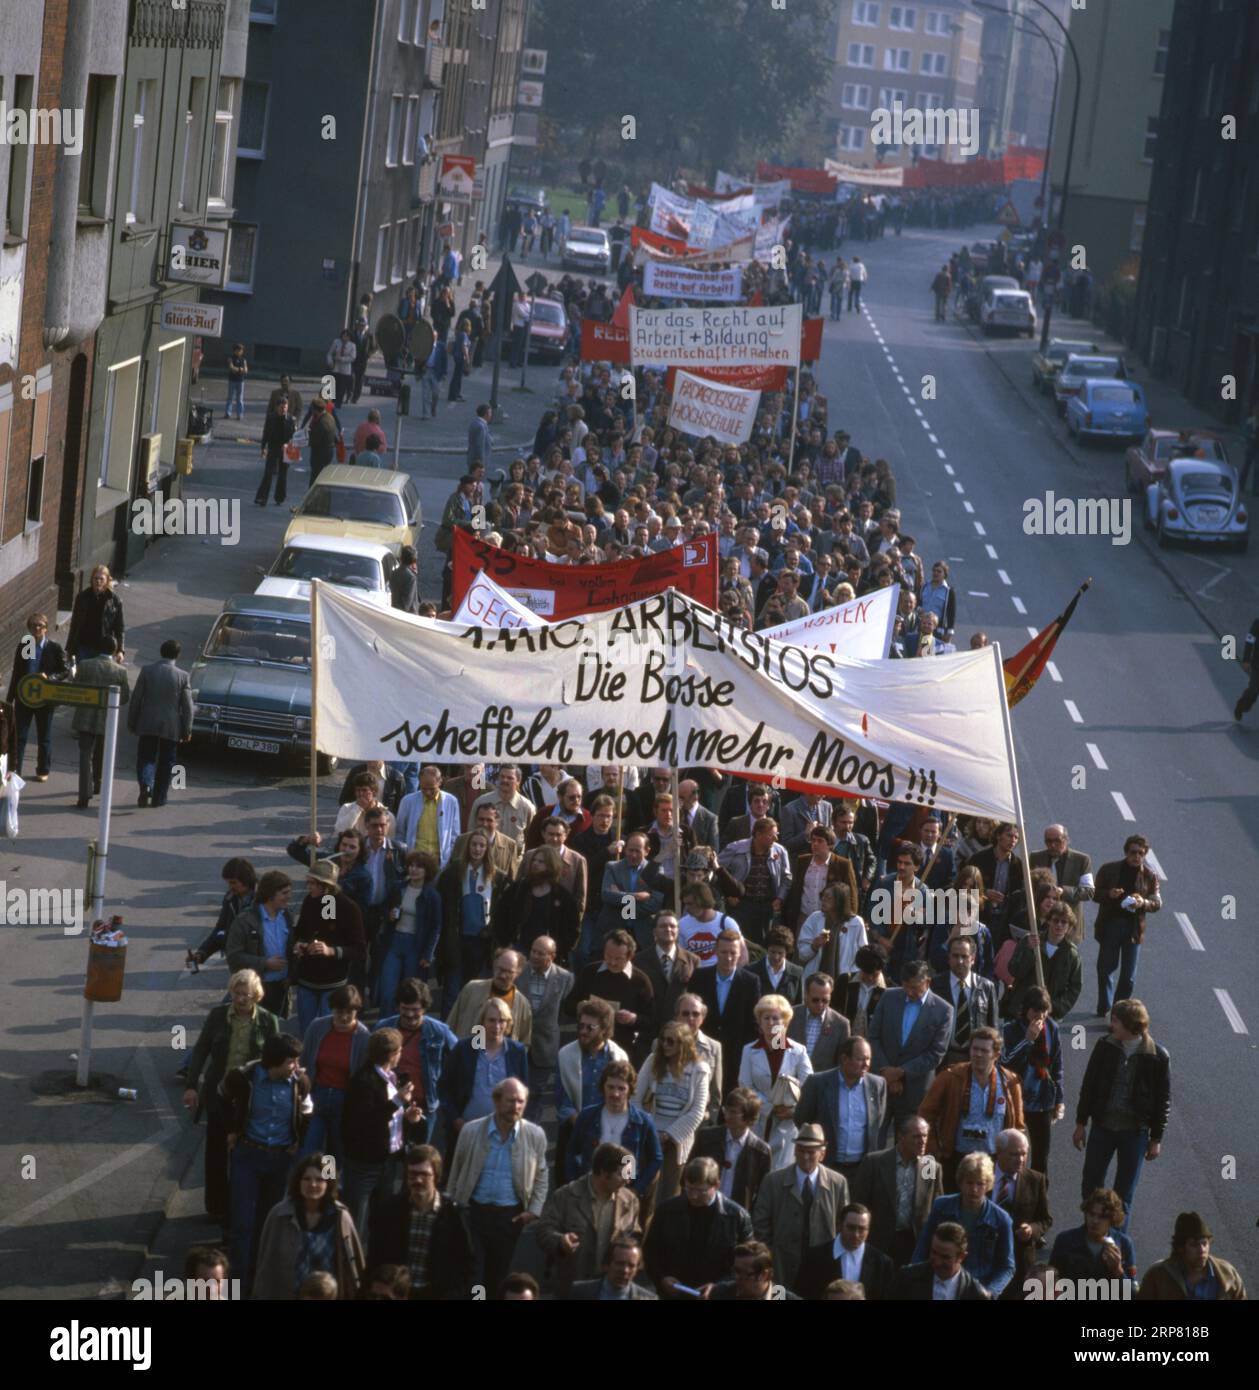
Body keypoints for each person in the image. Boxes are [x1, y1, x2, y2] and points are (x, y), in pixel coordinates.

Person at [183, 969, 281, 1228]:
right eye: (236, 993)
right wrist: (192, 1085)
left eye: (245, 995)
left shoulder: (269, 1021)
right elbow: (202, 1049)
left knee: (245, 1156)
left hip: (251, 1100)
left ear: (256, 995)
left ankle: (241, 1207)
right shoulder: (217, 1016)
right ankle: (216, 1208)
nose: (240, 999)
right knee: (215, 1154)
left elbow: (276, 1060)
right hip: (219, 1096)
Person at [221, 1034, 310, 1292]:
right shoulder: (242, 1077)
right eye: (291, 1061)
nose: (296, 1066)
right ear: (274, 1061)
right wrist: (231, 1130)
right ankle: (238, 1286)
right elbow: (221, 1098)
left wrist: (297, 1140)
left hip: (280, 1160)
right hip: (248, 1155)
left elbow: (307, 1112)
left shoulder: (300, 1083)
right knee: (242, 1225)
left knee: (268, 1224)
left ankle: (262, 1282)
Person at [1073, 998, 1169, 1232]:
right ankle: (1089, 1233)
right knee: (1091, 1186)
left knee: (1124, 1193)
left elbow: (1162, 1101)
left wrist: (1156, 1139)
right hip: (1103, 1127)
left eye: (1115, 1020)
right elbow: (1089, 1085)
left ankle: (1116, 1244)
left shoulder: (1157, 1056)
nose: (1111, 1024)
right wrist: (1080, 1123)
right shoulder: (1105, 1046)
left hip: (1134, 1133)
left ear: (1130, 1025)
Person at [446, 1077, 548, 1297]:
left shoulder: (535, 1135)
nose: (516, 1107)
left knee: (499, 1274)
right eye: (511, 1101)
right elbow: (456, 1170)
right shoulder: (471, 1131)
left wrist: (533, 1210)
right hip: (474, 1213)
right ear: (496, 1100)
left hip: (509, 1217)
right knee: (474, 1273)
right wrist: (452, 1204)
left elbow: (541, 1175)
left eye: (521, 1101)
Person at [341, 1027, 425, 1241]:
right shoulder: (364, 1081)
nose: (401, 1055)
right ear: (391, 1054)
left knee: (382, 1222)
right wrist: (398, 1101)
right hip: (365, 1164)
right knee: (354, 1225)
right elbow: (365, 1121)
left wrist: (407, 1117)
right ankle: (352, 1269)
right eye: (399, 1051)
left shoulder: (391, 1077)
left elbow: (388, 1119)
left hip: (388, 1161)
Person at [918, 1026, 1025, 1191]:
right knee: (950, 1207)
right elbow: (925, 1114)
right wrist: (933, 1147)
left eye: (984, 1050)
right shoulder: (950, 1077)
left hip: (993, 1160)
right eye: (975, 1049)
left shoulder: (1010, 1082)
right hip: (955, 1157)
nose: (978, 1054)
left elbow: (1017, 1127)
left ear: (996, 1055)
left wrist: (1014, 1159)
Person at [366, 1143, 474, 1299]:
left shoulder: (454, 1215)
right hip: (396, 1294)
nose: (417, 1180)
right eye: (412, 1174)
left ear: (436, 1176)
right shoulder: (390, 1210)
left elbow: (467, 1264)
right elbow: (375, 1255)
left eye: (424, 1174)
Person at [252, 1152, 366, 1301]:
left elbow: (354, 1267)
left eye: (319, 1179)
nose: (312, 1184)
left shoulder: (340, 1217)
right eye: (307, 1179)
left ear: (329, 1183)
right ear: (298, 1181)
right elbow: (265, 1266)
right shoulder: (279, 1215)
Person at [535, 1142, 641, 1298]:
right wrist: (561, 1241)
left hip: (609, 1290)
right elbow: (543, 1230)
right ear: (604, 1173)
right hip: (571, 1287)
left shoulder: (630, 1201)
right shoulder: (566, 1196)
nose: (628, 1180)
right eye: (624, 1174)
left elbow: (634, 1235)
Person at [751, 1124, 848, 1290]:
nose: (805, 1156)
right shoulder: (773, 1181)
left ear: (822, 1154)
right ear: (794, 1150)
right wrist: (770, 1259)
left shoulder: (837, 1183)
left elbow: (842, 1225)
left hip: (821, 1270)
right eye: (801, 1150)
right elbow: (760, 1226)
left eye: (811, 1152)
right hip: (780, 1270)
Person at [643, 1155, 754, 1299]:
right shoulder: (667, 1211)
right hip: (673, 1294)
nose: (694, 1196)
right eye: (689, 1189)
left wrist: (719, 1287)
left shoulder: (737, 1217)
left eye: (701, 1191)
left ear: (716, 1185)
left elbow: (747, 1263)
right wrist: (662, 1278)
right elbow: (651, 1251)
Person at [913, 1151, 1015, 1297]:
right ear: (960, 1182)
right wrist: (914, 1279)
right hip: (940, 1282)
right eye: (969, 1182)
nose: (974, 1189)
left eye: (980, 1184)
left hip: (977, 1289)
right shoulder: (941, 1207)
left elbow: (1007, 1266)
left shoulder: (1001, 1220)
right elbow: (922, 1248)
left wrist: (990, 1292)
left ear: (988, 1185)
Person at [868, 959, 953, 1131]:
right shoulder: (889, 997)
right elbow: (873, 1036)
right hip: (881, 1084)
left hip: (915, 1091)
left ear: (927, 982)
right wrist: (886, 1072)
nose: (909, 992)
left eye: (914, 987)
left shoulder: (943, 1010)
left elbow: (936, 1053)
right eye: (906, 986)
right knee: (873, 1141)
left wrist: (901, 1073)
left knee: (909, 1148)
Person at [288, 859, 367, 1037]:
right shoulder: (312, 901)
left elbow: (360, 950)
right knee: (307, 1034)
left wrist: (330, 951)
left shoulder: (349, 909)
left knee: (327, 1035)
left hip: (333, 985)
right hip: (307, 981)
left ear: (326, 886)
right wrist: (300, 944)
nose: (308, 887)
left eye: (313, 883)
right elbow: (302, 931)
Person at [633, 1022, 710, 1200]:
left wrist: (668, 1135)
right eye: (662, 1040)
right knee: (643, 1190)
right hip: (649, 1133)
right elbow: (635, 1097)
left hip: (676, 1140)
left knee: (668, 1194)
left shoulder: (699, 1070)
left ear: (683, 1044)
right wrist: (649, 1131)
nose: (665, 1045)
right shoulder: (653, 1061)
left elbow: (697, 1111)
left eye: (671, 1041)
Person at [567, 1060, 663, 1203]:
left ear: (629, 1090)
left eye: (621, 1088)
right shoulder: (587, 1116)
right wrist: (574, 1184)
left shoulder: (642, 1121)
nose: (615, 1093)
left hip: (625, 1188)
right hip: (590, 1187)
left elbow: (656, 1159)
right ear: (603, 1088)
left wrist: (637, 1189)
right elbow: (571, 1152)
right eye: (610, 1087)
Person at [793, 1035, 886, 1182]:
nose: (866, 1064)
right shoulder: (818, 1083)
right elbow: (801, 1118)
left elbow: (878, 1126)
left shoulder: (878, 1085)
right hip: (827, 1166)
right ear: (844, 1059)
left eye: (868, 1059)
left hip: (862, 1170)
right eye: (860, 1059)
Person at [852, 1115, 942, 1266]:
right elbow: (859, 1203)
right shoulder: (875, 1162)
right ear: (901, 1137)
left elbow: (937, 1207)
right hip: (880, 1241)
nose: (923, 1141)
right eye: (916, 1136)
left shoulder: (930, 1166)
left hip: (915, 1244)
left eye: (925, 1136)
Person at [738, 994, 814, 1170]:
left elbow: (809, 1085)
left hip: (787, 1125)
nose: (771, 1023)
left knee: (780, 1176)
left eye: (776, 1018)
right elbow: (745, 1086)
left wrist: (793, 1110)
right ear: (760, 1022)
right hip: (758, 1122)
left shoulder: (798, 1051)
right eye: (766, 1018)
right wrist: (771, 1107)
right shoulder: (749, 1050)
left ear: (785, 1022)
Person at [299, 984, 370, 1170]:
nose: (344, 1017)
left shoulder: (363, 1037)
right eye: (339, 1012)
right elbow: (305, 1061)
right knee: (309, 1149)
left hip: (343, 1100)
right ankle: (304, 1186)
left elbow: (363, 1076)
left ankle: (328, 1190)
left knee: (333, 1153)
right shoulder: (317, 1027)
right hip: (317, 1096)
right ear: (332, 1009)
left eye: (350, 1012)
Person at [1093, 834, 1161, 1016]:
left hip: (1133, 929)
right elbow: (1094, 894)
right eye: (1133, 852)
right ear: (1126, 852)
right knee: (1105, 968)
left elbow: (1157, 903)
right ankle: (1104, 1006)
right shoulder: (1109, 870)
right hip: (1111, 925)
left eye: (1141, 853)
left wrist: (1143, 903)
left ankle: (1118, 1012)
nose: (1136, 856)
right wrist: (1110, 894)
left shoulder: (1150, 876)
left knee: (1128, 977)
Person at [442, 996, 530, 1133]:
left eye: (502, 1021)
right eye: (491, 1020)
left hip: (504, 1131)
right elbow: (444, 1087)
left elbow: (523, 1091)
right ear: (482, 1021)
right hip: (466, 1129)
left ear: (508, 1023)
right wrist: (455, 1119)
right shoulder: (464, 1049)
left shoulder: (517, 1052)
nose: (497, 1026)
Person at [1000, 986, 1063, 1176]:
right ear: (1026, 1010)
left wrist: (1059, 1099)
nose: (1040, 1016)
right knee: (1011, 1153)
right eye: (1035, 1011)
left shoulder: (1052, 1028)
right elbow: (1005, 1062)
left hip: (1042, 1100)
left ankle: (1038, 1197)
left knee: (1041, 1157)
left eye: (1044, 1011)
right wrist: (1027, 1041)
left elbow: (1057, 1064)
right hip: (1016, 1098)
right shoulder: (1010, 1029)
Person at [694, 930, 762, 1102]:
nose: (729, 957)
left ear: (740, 954)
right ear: (715, 951)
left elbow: (753, 1023)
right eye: (724, 952)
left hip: (736, 1055)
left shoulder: (750, 982)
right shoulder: (700, 977)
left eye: (733, 953)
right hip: (703, 1052)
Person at [126, 638, 193, 808]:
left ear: (161, 652)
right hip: (171, 726)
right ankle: (159, 798)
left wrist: (132, 722)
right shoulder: (183, 676)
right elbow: (188, 707)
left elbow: (136, 699)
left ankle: (146, 785)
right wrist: (187, 729)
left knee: (146, 757)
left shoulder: (147, 671)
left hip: (147, 722)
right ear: (177, 655)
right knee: (166, 762)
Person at [567, 928, 655, 1055]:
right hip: (587, 1045)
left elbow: (650, 1020)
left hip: (622, 1048)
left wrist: (633, 1019)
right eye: (608, 956)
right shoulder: (590, 972)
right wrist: (580, 1007)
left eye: (618, 958)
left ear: (630, 956)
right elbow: (568, 1006)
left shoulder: (641, 981)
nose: (612, 962)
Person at [989, 1128, 1052, 1299]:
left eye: (1024, 1154)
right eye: (1014, 1154)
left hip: (1018, 1261)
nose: (1021, 1159)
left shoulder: (1036, 1180)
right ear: (999, 1152)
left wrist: (1031, 1230)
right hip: (985, 1255)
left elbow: (1045, 1219)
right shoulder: (982, 1173)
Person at [6, 612, 69, 782]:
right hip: (25, 697)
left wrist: (49, 677)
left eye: (40, 625)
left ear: (46, 628)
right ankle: (15, 770)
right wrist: (10, 698)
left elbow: (65, 671)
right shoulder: (26, 645)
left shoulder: (53, 648)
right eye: (33, 625)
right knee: (20, 736)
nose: (37, 628)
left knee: (44, 736)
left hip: (44, 698)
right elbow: (18, 673)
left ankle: (43, 769)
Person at [68, 637, 129, 808]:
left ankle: (84, 795)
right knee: (102, 754)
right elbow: (124, 697)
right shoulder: (120, 671)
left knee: (85, 755)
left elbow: (76, 688)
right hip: (107, 719)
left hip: (85, 717)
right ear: (115, 650)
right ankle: (98, 783)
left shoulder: (85, 665)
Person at [225, 869, 294, 1018]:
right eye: (284, 893)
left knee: (275, 1035)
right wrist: (265, 963)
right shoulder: (244, 920)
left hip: (281, 987)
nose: (289, 897)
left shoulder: (287, 915)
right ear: (270, 894)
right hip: (255, 989)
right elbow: (233, 957)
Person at [520, 935, 574, 1123]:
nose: (534, 956)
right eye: (533, 951)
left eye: (540, 953)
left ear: (551, 956)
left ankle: (529, 1129)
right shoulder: (519, 971)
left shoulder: (565, 978)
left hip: (545, 1044)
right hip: (519, 1042)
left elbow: (567, 1009)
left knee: (536, 1093)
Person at [796, 1201, 896, 1300]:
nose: (856, 1234)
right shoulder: (814, 1258)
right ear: (839, 1226)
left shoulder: (882, 1263)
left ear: (868, 1230)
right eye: (851, 1227)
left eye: (861, 1229)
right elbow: (802, 1294)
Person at [1136, 1211, 1247, 1301]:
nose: (1202, 1250)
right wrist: (1119, 1273)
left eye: (1204, 1243)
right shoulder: (1158, 1275)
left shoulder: (1228, 1273)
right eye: (1194, 1245)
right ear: (1180, 1248)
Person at [1002, 902, 1082, 1022]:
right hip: (1021, 1010)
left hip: (1049, 1016)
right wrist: (1029, 950)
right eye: (1056, 920)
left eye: (1064, 922)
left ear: (1069, 926)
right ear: (1049, 921)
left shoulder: (1071, 954)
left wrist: (1054, 1007)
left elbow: (1074, 987)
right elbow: (1014, 970)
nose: (1059, 925)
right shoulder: (1029, 941)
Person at [694, 1088, 772, 1211]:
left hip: (736, 1217)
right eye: (726, 1110)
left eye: (733, 1112)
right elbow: (689, 1176)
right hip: (702, 1210)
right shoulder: (706, 1138)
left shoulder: (761, 1151)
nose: (727, 1115)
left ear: (748, 1117)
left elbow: (763, 1194)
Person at [931, 936, 1000, 1068]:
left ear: (973, 959)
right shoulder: (935, 985)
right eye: (955, 956)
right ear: (949, 958)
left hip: (975, 1059)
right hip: (942, 1058)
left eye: (964, 956)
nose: (960, 961)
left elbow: (993, 1028)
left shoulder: (986, 987)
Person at [1048, 1188, 1137, 1286]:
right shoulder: (1065, 1240)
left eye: (1102, 1217)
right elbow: (1050, 1282)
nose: (1095, 1221)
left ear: (1112, 1219)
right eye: (1091, 1214)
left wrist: (1118, 1271)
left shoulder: (1124, 1244)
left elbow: (1134, 1293)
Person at [446, 947, 533, 1044]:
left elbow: (524, 1042)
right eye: (500, 970)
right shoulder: (471, 989)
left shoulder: (522, 1005)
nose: (503, 975)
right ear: (494, 965)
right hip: (468, 1054)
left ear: (518, 973)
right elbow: (451, 1024)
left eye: (509, 972)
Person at [892, 1221, 990, 1300]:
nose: (938, 1262)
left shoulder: (976, 1294)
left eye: (945, 1257)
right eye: (934, 1253)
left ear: (961, 1257)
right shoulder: (908, 1278)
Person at [566, 1233, 658, 1300]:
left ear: (637, 1269)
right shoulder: (580, 1291)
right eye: (619, 1263)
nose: (625, 1270)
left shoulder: (649, 1298)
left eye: (631, 1265)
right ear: (606, 1265)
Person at [66, 564, 125, 663]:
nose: (98, 582)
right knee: (83, 675)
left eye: (101, 579)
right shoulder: (82, 597)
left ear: (107, 580)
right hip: (84, 645)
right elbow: (75, 624)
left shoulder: (114, 601)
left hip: (103, 648)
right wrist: (70, 649)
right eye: (95, 578)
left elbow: (120, 627)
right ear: (91, 579)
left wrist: (120, 650)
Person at [838, 943, 888, 1038]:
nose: (869, 978)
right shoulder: (844, 981)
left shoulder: (888, 991)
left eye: (874, 975)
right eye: (866, 973)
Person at [256, 395, 295, 506]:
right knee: (268, 473)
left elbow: (293, 437)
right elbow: (266, 433)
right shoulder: (271, 418)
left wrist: (288, 444)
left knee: (283, 474)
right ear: (277, 407)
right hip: (273, 447)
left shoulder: (291, 420)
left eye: (285, 408)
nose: (283, 410)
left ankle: (279, 497)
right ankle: (262, 498)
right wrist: (263, 447)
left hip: (285, 449)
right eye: (281, 408)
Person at [1235, 615, 1259, 720]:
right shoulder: (1257, 623)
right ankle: (1242, 705)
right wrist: (1246, 659)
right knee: (1254, 690)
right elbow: (1249, 640)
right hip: (1257, 664)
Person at [327, 329, 357, 408]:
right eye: (344, 335)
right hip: (336, 367)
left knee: (342, 387)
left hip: (345, 369)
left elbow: (353, 357)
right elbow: (329, 353)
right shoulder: (336, 342)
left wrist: (342, 359)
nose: (345, 337)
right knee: (334, 385)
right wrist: (330, 362)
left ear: (349, 337)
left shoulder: (352, 345)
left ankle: (338, 403)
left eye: (347, 336)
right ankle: (332, 401)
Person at [225, 341, 248, 419]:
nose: (240, 352)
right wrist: (240, 369)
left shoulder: (243, 360)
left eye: (241, 350)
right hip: (232, 380)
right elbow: (231, 368)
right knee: (230, 398)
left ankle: (239, 414)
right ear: (235, 350)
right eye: (238, 350)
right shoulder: (230, 358)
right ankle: (228, 413)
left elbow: (246, 370)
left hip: (241, 381)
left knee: (240, 399)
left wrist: (239, 370)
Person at [467, 403, 494, 469]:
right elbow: (480, 446)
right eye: (490, 413)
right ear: (486, 414)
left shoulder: (475, 422)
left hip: (473, 458)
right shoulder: (481, 426)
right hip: (478, 462)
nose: (491, 415)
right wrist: (481, 463)